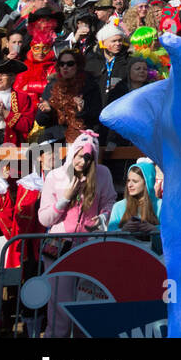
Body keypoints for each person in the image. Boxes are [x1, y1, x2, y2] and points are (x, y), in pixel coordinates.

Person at [37, 130, 115, 338]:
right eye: (79, 156)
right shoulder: (55, 176)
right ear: (72, 153)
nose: (82, 161)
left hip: (89, 248)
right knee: (60, 307)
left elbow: (109, 201)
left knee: (86, 304)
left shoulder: (103, 174)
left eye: (87, 158)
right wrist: (65, 199)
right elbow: (44, 218)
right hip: (59, 250)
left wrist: (103, 217)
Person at [35, 48, 103, 144]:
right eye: (61, 64)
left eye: (70, 64)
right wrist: (47, 111)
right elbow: (41, 121)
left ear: (78, 66)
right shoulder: (51, 86)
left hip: (81, 139)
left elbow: (96, 118)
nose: (65, 67)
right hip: (55, 139)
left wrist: (81, 110)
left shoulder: (90, 86)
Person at [108, 160, 160, 250]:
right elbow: (109, 238)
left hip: (156, 257)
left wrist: (154, 230)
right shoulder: (118, 206)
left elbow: (172, 238)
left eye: (135, 181)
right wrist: (123, 231)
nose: (129, 185)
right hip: (125, 256)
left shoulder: (161, 205)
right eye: (128, 180)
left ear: (147, 182)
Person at [86, 23, 130, 102]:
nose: (118, 44)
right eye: (113, 41)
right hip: (97, 105)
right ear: (103, 43)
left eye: (120, 40)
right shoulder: (93, 61)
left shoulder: (127, 60)